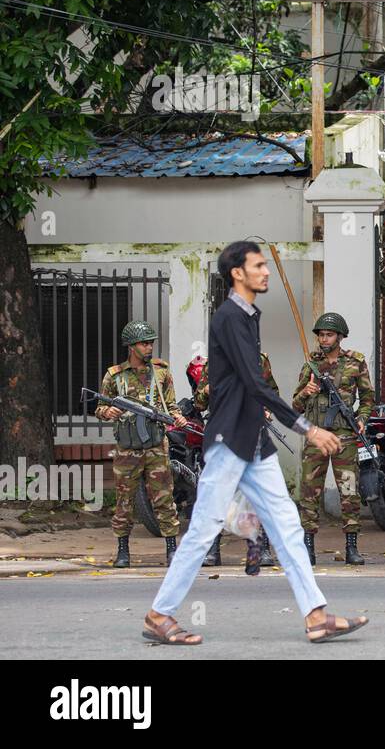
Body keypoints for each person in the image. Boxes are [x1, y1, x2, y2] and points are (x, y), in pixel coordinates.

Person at [141, 241, 368, 645]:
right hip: (230, 439)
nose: (265, 271)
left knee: (287, 526)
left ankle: (316, 615)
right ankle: (160, 614)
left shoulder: (249, 314)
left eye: (266, 265)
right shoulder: (229, 317)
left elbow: (254, 386)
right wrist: (307, 429)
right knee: (202, 530)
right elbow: (253, 382)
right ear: (237, 274)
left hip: (254, 441)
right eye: (258, 265)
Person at [96, 321, 185, 568]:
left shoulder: (161, 373)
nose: (149, 347)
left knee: (164, 498)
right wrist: (109, 412)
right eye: (144, 343)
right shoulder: (115, 376)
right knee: (124, 500)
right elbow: (99, 409)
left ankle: (171, 549)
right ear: (131, 347)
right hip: (127, 449)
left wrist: (177, 416)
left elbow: (171, 405)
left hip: (156, 446)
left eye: (151, 343)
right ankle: (123, 550)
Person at [292, 312, 376, 566]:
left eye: (328, 334)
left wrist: (362, 418)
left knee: (349, 491)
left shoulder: (355, 363)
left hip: (344, 438)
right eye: (320, 335)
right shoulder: (310, 367)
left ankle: (352, 546)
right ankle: (308, 547)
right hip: (316, 437)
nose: (323, 339)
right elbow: (294, 406)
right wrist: (306, 392)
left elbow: (368, 397)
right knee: (309, 492)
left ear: (340, 336)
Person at [190, 352, 282, 570]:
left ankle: (260, 548)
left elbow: (271, 392)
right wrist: (205, 392)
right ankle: (213, 548)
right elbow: (199, 404)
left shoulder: (258, 359)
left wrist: (267, 409)